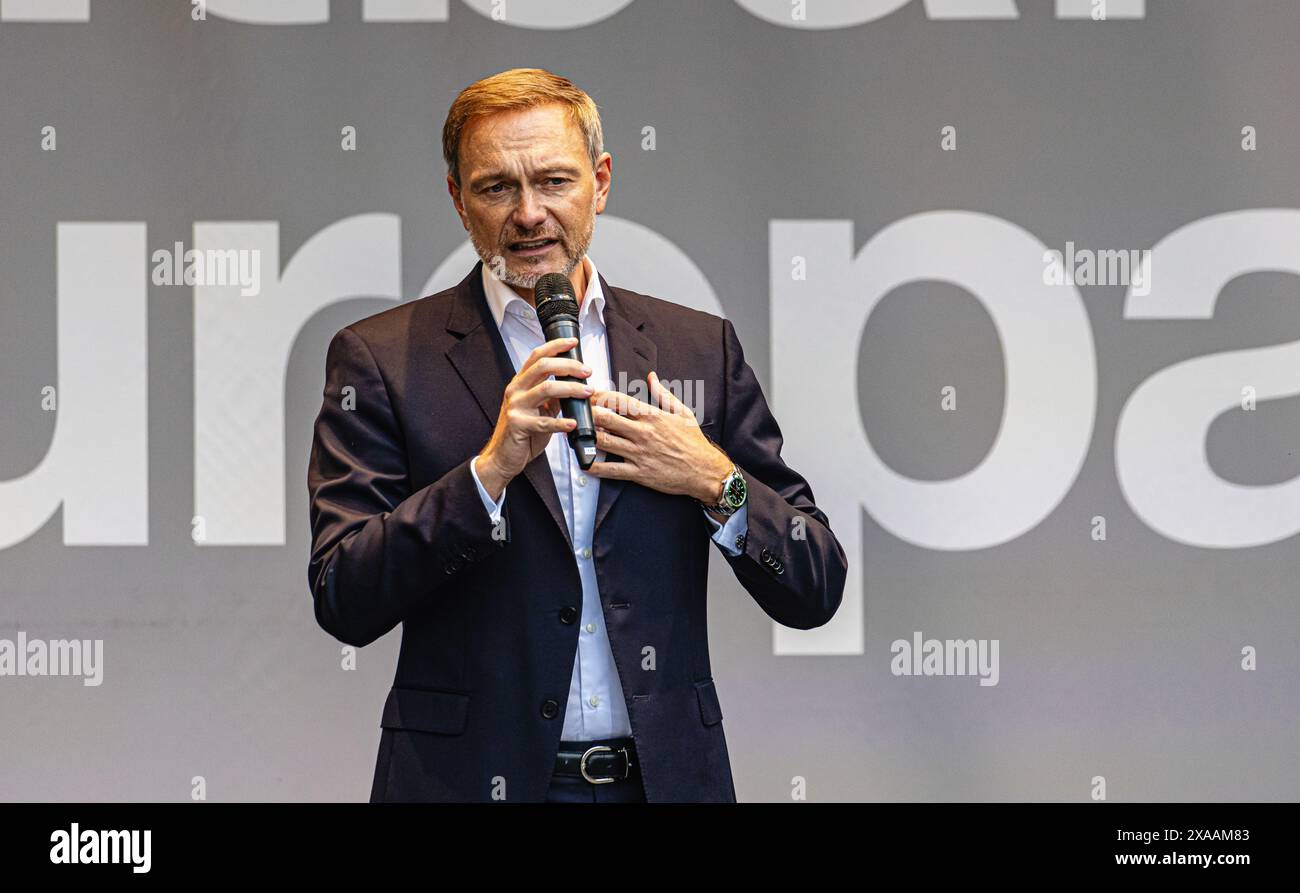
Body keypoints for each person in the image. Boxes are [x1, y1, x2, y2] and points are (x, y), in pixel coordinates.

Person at [307, 68, 848, 802]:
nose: (529, 213)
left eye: (554, 181)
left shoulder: (697, 350)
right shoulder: (383, 358)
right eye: (496, 187)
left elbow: (815, 585)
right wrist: (487, 473)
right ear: (458, 202)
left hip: (659, 783)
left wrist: (709, 478)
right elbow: (344, 595)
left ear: (600, 183)